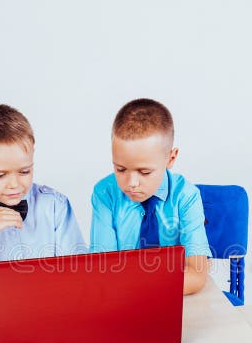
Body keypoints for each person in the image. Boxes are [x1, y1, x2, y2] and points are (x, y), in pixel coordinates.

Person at [0, 103, 85, 308]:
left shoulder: (55, 207)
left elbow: (79, 280)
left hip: (53, 312)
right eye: (0, 175)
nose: (14, 184)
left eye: (24, 172)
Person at [90, 98, 210, 295]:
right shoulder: (105, 194)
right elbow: (102, 269)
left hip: (174, 297)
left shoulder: (187, 197)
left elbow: (196, 275)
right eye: (120, 169)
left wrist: (142, 290)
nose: (131, 183)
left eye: (144, 172)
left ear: (170, 158)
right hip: (122, 299)